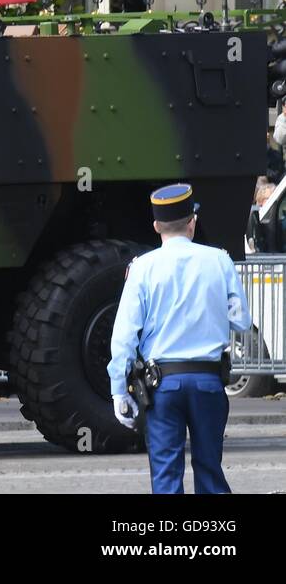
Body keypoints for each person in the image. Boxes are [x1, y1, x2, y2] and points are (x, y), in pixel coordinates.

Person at [108, 183, 251, 494]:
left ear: (157, 226)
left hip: (162, 386)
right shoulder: (219, 261)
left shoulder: (142, 268)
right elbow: (242, 320)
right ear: (193, 222)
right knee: (210, 470)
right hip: (208, 382)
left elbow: (124, 337)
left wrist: (119, 391)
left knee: (166, 477)